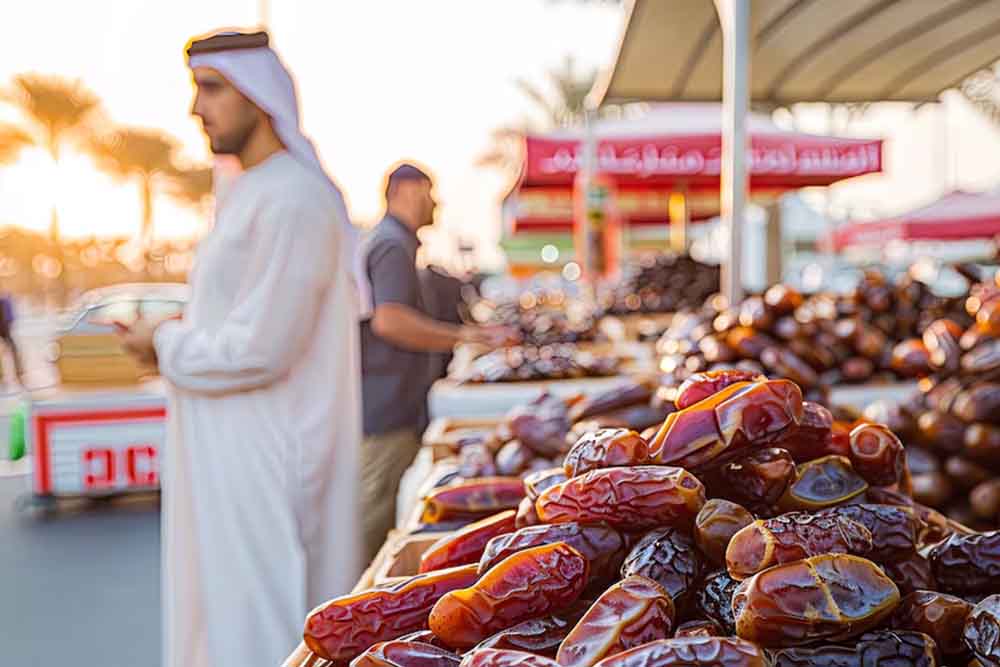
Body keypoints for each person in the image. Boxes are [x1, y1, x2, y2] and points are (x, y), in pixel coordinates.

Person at [118, 30, 363, 667]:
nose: (196, 109)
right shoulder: (249, 192)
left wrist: (162, 341)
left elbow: (262, 348)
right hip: (228, 457)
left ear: (259, 93)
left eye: (212, 88)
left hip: (266, 462)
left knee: (263, 633)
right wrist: (170, 333)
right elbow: (241, 318)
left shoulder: (296, 197)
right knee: (224, 626)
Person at [359, 163, 512, 560]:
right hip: (386, 408)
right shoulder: (391, 245)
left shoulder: (395, 242)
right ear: (407, 191)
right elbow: (389, 320)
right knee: (374, 518)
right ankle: (361, 595)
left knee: (381, 509)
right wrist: (462, 336)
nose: (436, 203)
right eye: (430, 192)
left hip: (391, 404)